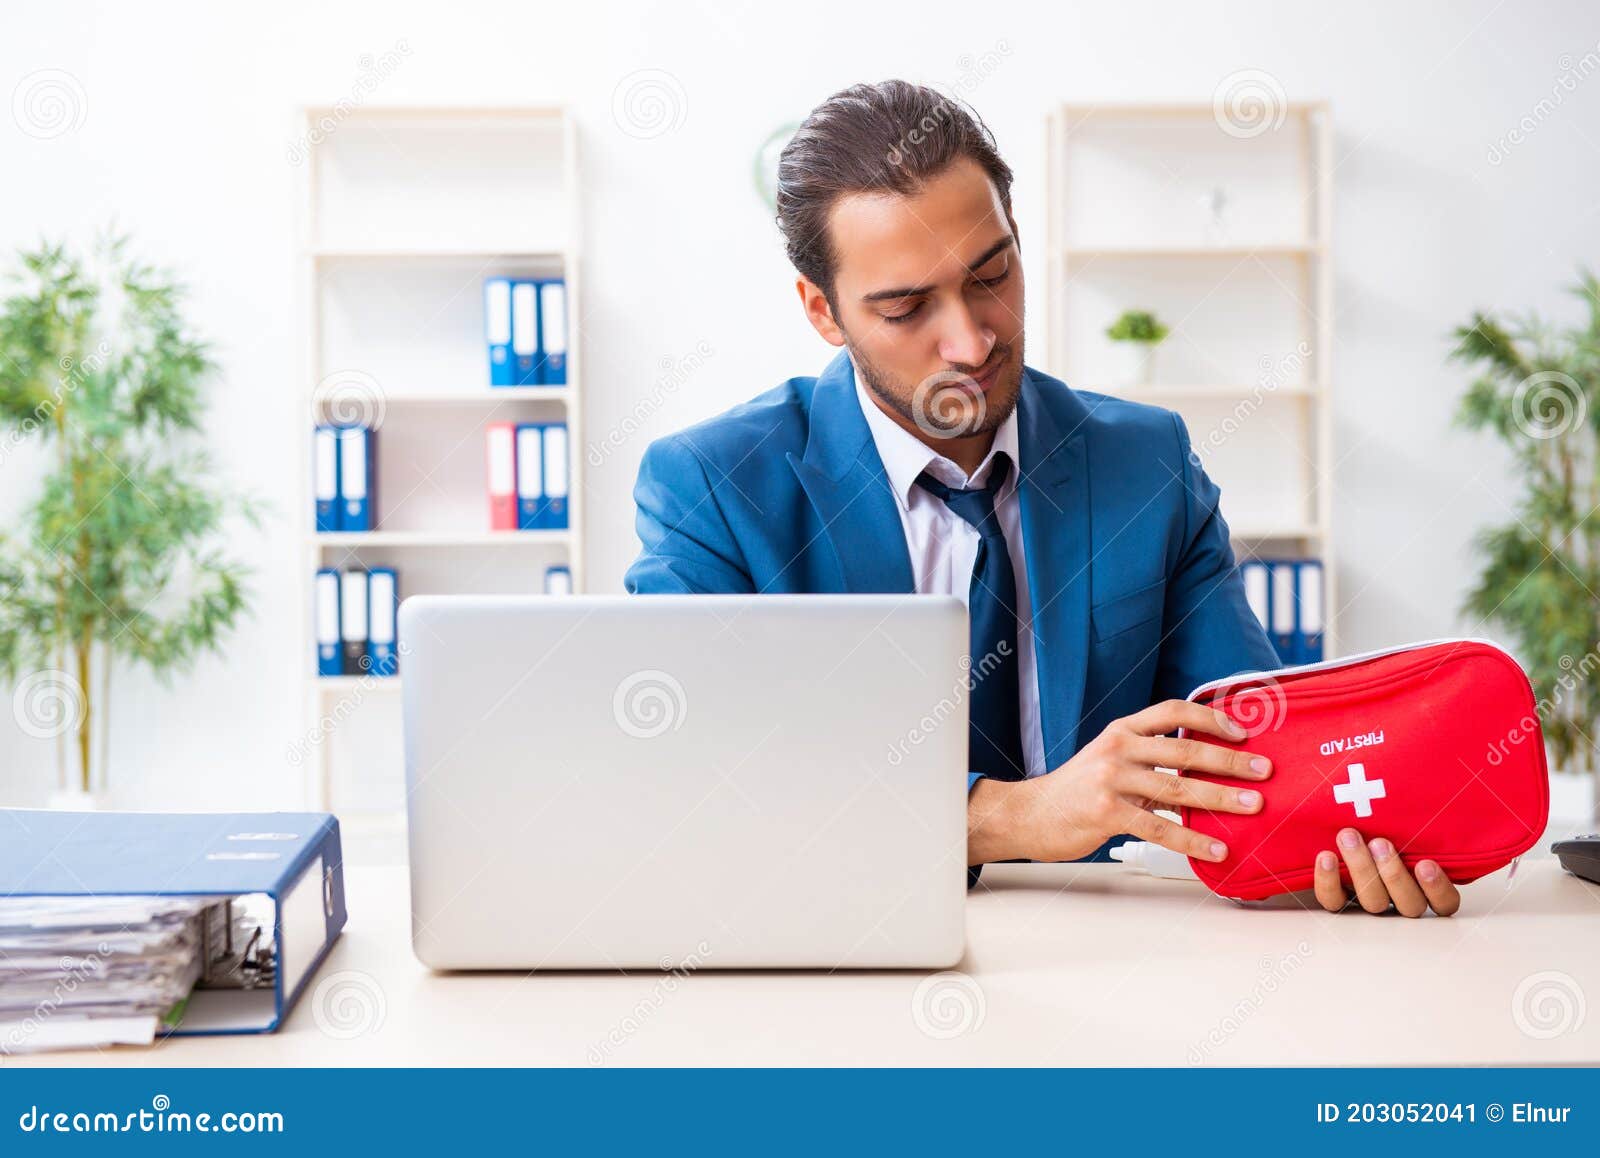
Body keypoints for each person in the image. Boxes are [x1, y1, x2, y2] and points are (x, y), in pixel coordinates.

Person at [625, 80, 1459, 917]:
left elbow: (1255, 752)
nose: (970, 341)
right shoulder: (716, 489)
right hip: (842, 936)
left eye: (991, 274)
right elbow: (693, 780)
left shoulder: (1146, 463)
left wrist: (1343, 840)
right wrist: (1007, 816)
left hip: (1112, 944)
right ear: (823, 312)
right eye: (907, 308)